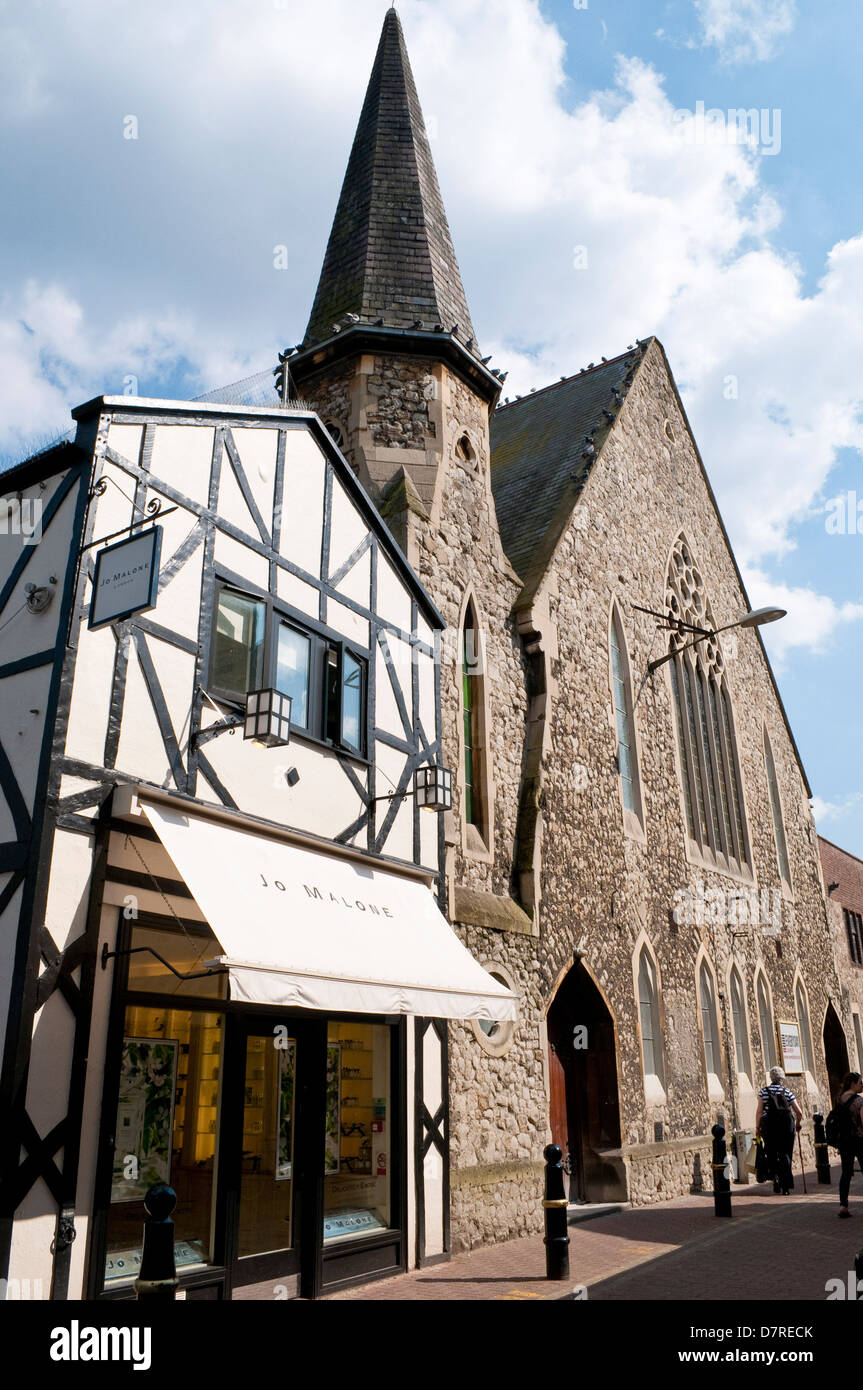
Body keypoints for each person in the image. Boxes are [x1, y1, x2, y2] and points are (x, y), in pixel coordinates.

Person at [756, 1066, 803, 1194]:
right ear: (782, 1078)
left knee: (771, 1153)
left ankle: (775, 1178)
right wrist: (797, 1124)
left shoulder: (764, 1092)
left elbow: (759, 1111)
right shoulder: (787, 1092)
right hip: (786, 1127)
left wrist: (757, 1128)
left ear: (771, 1077)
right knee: (785, 1154)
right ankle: (786, 1186)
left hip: (769, 1127)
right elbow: (799, 1112)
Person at [835, 1072, 863, 1218]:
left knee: (846, 1172)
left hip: (844, 1140)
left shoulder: (839, 1099)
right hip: (859, 1139)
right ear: (853, 1084)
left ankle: (843, 1205)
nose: (862, 1085)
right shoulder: (859, 1101)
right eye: (860, 1082)